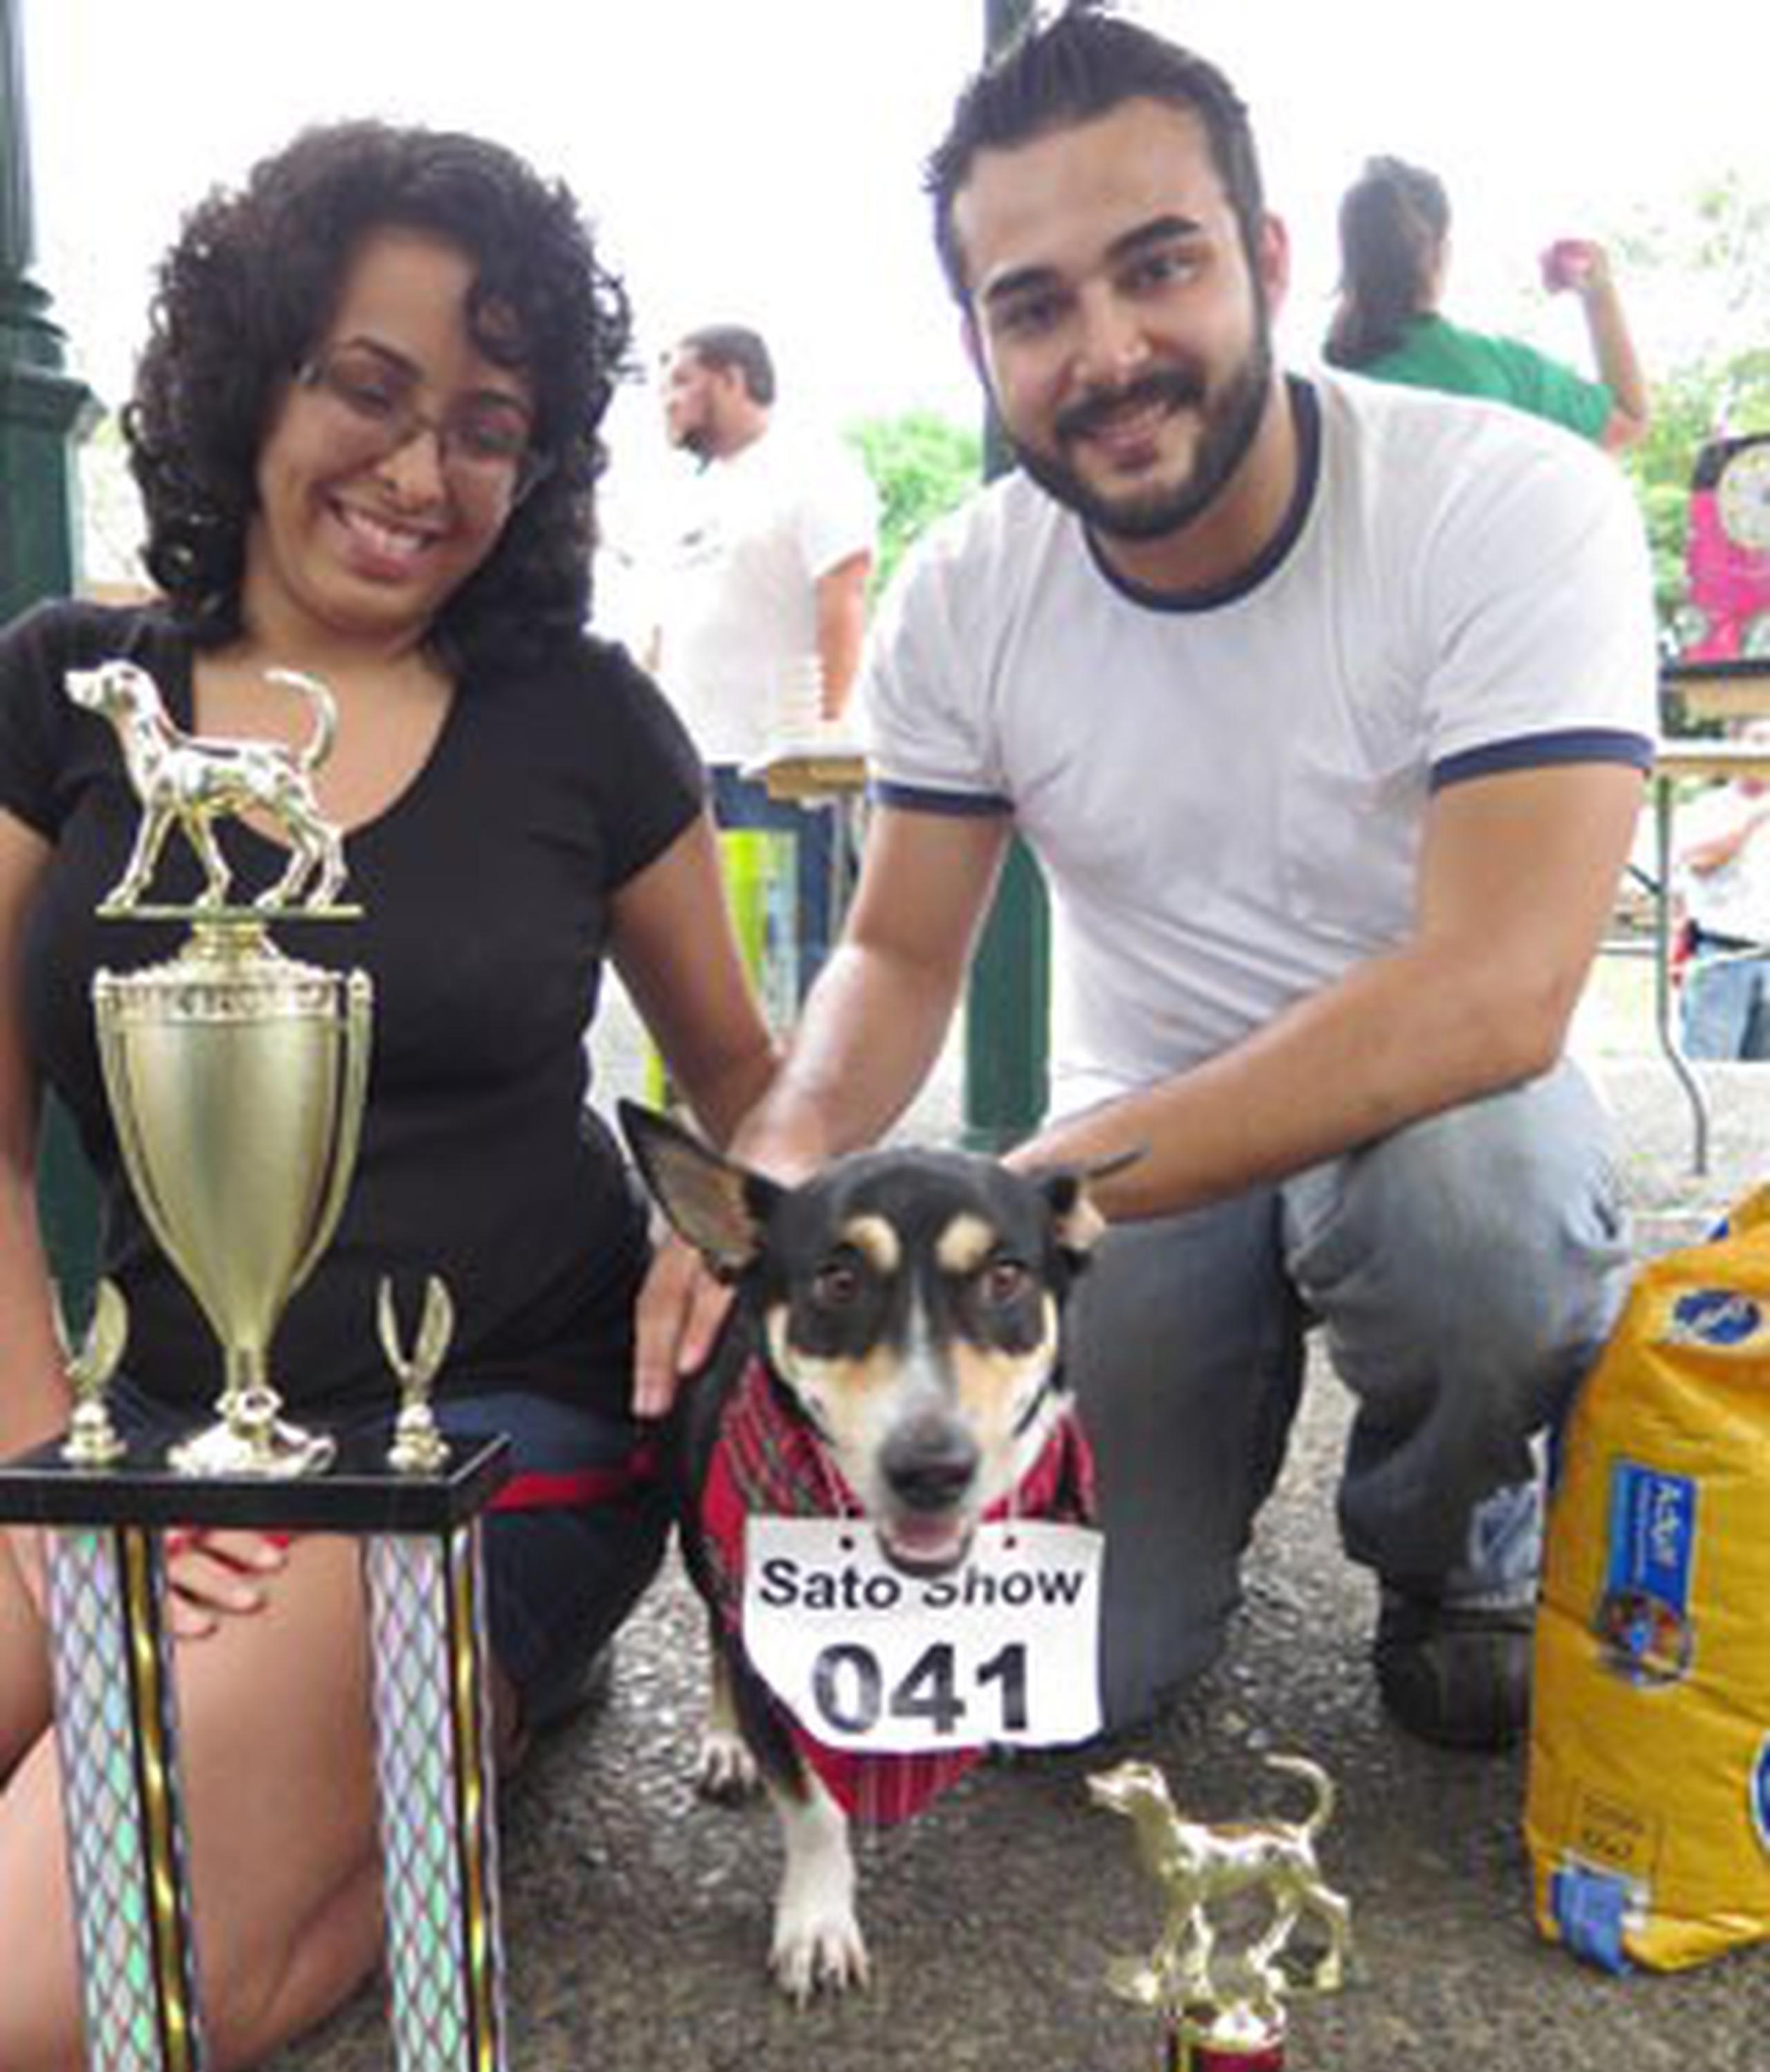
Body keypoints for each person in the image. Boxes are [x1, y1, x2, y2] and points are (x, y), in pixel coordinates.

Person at [636, 2, 1659, 1757]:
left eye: (1156, 267)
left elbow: (1497, 989)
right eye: (1031, 307)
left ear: (1263, 258)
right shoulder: (969, 585)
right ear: (976, 339)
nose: (1102, 350)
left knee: (1472, 1210)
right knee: (1067, 1707)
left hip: (1417, 1119)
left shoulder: (1509, 501)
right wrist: (781, 1164)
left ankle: (1450, 1540)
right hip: (1146, 1154)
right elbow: (891, 950)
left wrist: (1024, 1188)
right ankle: (1198, 1467)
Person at [0, 122, 777, 2072]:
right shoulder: (64, 694)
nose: (422, 471)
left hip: (490, 1421)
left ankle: (453, 1749)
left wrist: (726, 1232)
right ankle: (336, 1743)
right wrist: (58, 1496)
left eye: (490, 423)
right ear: (256, 372)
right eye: (370, 385)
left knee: (35, 2004)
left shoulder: (588, 720)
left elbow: (756, 1087)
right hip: (143, 1420)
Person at [651, 324, 879, 991]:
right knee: (711, 960)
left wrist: (823, 737)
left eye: (681, 380)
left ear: (731, 379)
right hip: (690, 765)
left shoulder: (810, 468)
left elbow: (845, 587)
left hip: (776, 769)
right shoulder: (695, 493)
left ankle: (811, 1090)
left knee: (795, 952)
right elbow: (667, 629)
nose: (667, 400)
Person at [1323, 156, 1650, 452]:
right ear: (1440, 254)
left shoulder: (1318, 395)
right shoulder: (1502, 373)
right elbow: (1629, 419)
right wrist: (1599, 294)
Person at [1675, 761, 1770, 1059]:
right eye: (1755, 742)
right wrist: (1754, 820)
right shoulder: (1710, 808)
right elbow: (1700, 861)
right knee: (1711, 1072)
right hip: (1722, 958)